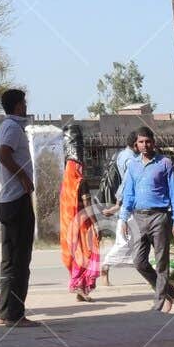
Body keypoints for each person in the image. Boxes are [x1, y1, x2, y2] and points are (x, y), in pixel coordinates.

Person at [119, 126, 174, 313]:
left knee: (161, 263)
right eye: (141, 142)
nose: (145, 145)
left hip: (160, 217)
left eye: (148, 141)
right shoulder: (133, 165)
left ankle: (159, 303)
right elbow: (128, 194)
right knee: (139, 262)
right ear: (136, 145)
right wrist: (123, 218)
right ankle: (168, 291)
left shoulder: (165, 163)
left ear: (153, 143)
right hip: (139, 217)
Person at [0, 88, 38, 327]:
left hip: (9, 200)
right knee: (19, 260)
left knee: (11, 260)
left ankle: (6, 311)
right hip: (16, 199)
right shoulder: (11, 127)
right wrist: (23, 177)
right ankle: (14, 314)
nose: (26, 106)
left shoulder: (8, 126)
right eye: (24, 103)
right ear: (19, 106)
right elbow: (3, 154)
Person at [59, 123, 101, 301]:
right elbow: (87, 203)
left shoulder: (65, 184)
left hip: (69, 226)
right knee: (86, 255)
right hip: (83, 225)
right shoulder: (80, 182)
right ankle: (80, 287)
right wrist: (96, 224)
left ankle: (81, 290)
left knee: (77, 254)